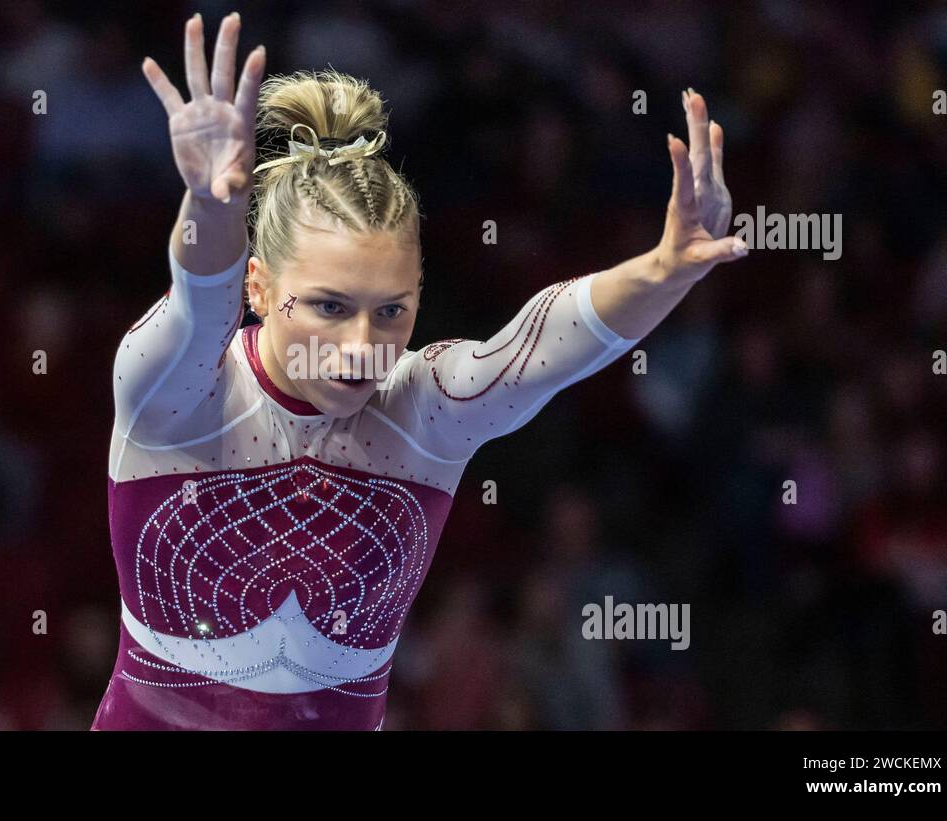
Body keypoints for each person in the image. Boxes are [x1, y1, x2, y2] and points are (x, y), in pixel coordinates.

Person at [92, 11, 744, 730]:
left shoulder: (421, 410)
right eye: (330, 306)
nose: (364, 344)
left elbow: (541, 347)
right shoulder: (179, 396)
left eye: (392, 311)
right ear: (259, 287)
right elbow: (196, 307)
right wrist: (213, 202)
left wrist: (663, 269)